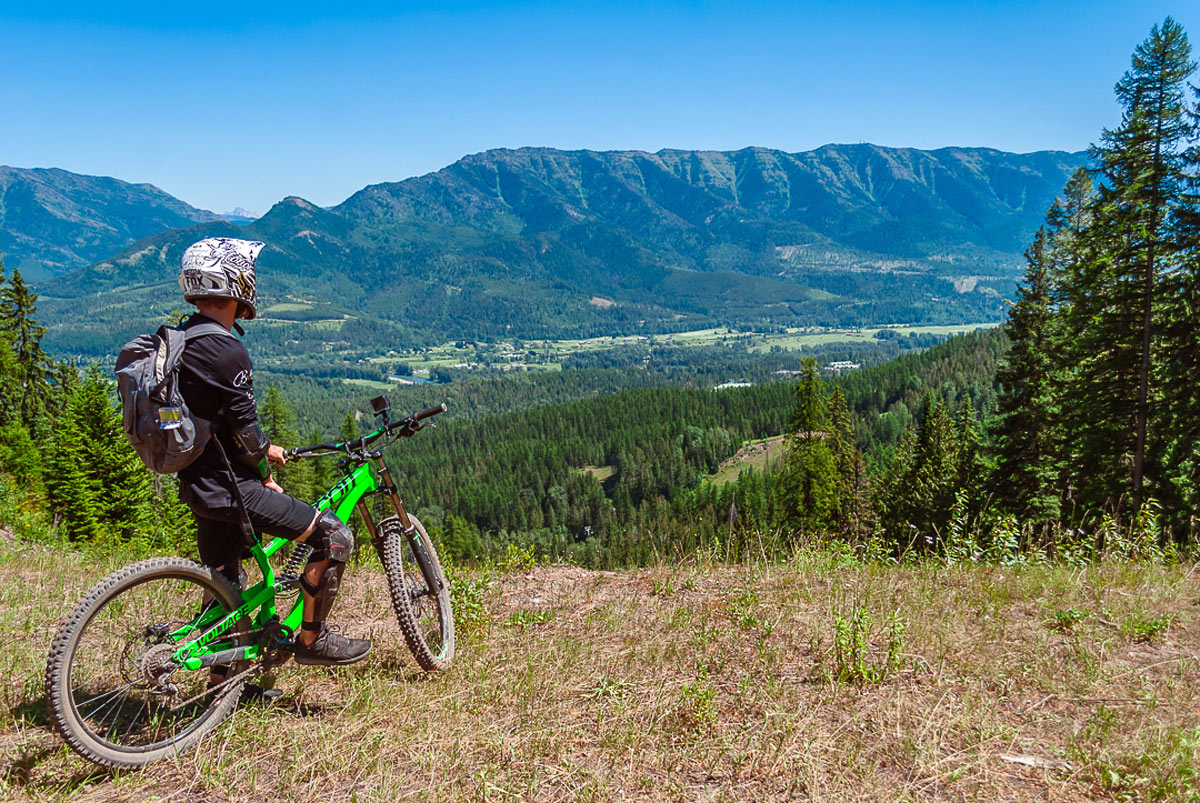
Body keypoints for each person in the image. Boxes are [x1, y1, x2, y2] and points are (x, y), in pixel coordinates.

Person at [174, 237, 371, 673]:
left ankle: (225, 683)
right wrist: (262, 470)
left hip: (197, 482)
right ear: (233, 281)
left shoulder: (180, 339)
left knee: (227, 581)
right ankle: (312, 640)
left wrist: (265, 449)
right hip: (232, 487)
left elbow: (214, 419)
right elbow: (244, 430)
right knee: (334, 537)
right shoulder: (225, 348)